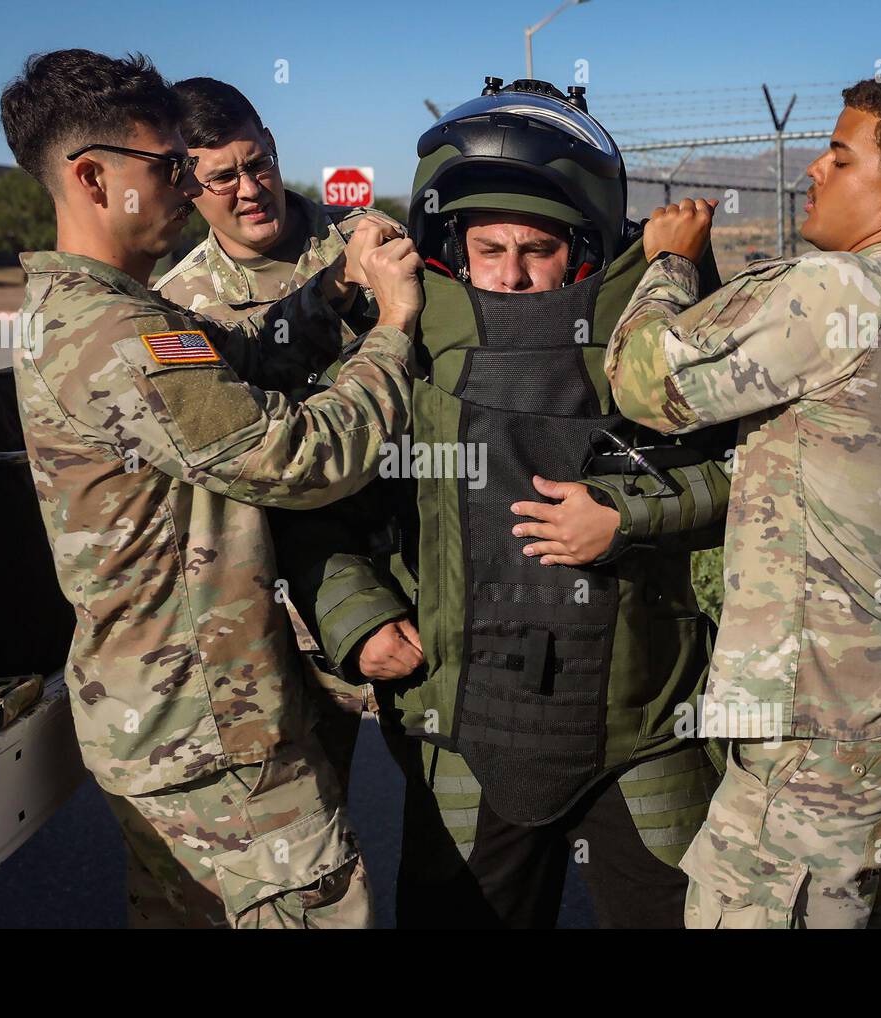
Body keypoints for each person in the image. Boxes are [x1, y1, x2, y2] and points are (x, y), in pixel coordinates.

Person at [281, 78, 734, 928]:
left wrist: (624, 516)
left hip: (642, 729)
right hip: (462, 728)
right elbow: (315, 510)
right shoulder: (399, 352)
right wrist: (358, 622)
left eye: (541, 249)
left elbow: (747, 481)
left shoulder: (654, 343)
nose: (516, 274)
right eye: (492, 249)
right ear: (453, 246)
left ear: (587, 247)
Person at [0, 48, 423, 929]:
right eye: (167, 169)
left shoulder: (107, 310)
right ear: (92, 176)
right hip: (212, 729)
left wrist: (341, 289)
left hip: (169, 724)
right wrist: (393, 328)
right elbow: (296, 456)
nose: (186, 188)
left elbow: (253, 361)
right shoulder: (118, 333)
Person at [605, 71, 881, 928]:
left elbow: (645, 381)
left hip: (818, 724)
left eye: (838, 154)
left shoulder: (840, 291)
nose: (813, 169)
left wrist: (665, 261)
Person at [153, 77, 404, 791]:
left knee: (453, 818)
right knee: (311, 816)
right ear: (185, 184)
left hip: (416, 574)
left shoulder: (368, 243)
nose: (250, 188)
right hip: (289, 616)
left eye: (257, 162)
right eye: (221, 176)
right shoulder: (180, 307)